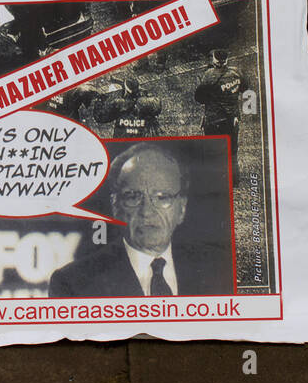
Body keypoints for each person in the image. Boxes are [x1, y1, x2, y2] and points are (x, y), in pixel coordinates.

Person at [47, 142, 233, 297]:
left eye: (162, 197)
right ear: (116, 206)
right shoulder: (73, 283)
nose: (147, 212)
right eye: (133, 197)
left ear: (182, 209)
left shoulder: (220, 269)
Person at [194, 48, 246, 187]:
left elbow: (199, 98)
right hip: (232, 118)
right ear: (227, 60)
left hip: (214, 119)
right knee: (232, 151)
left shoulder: (209, 75)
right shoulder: (237, 72)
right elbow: (245, 88)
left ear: (214, 60)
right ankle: (234, 180)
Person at [94, 75, 161, 138]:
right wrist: (118, 81)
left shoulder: (119, 104)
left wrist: (100, 100)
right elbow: (132, 91)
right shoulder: (144, 100)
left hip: (124, 137)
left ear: (126, 91)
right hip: (141, 135)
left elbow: (100, 117)